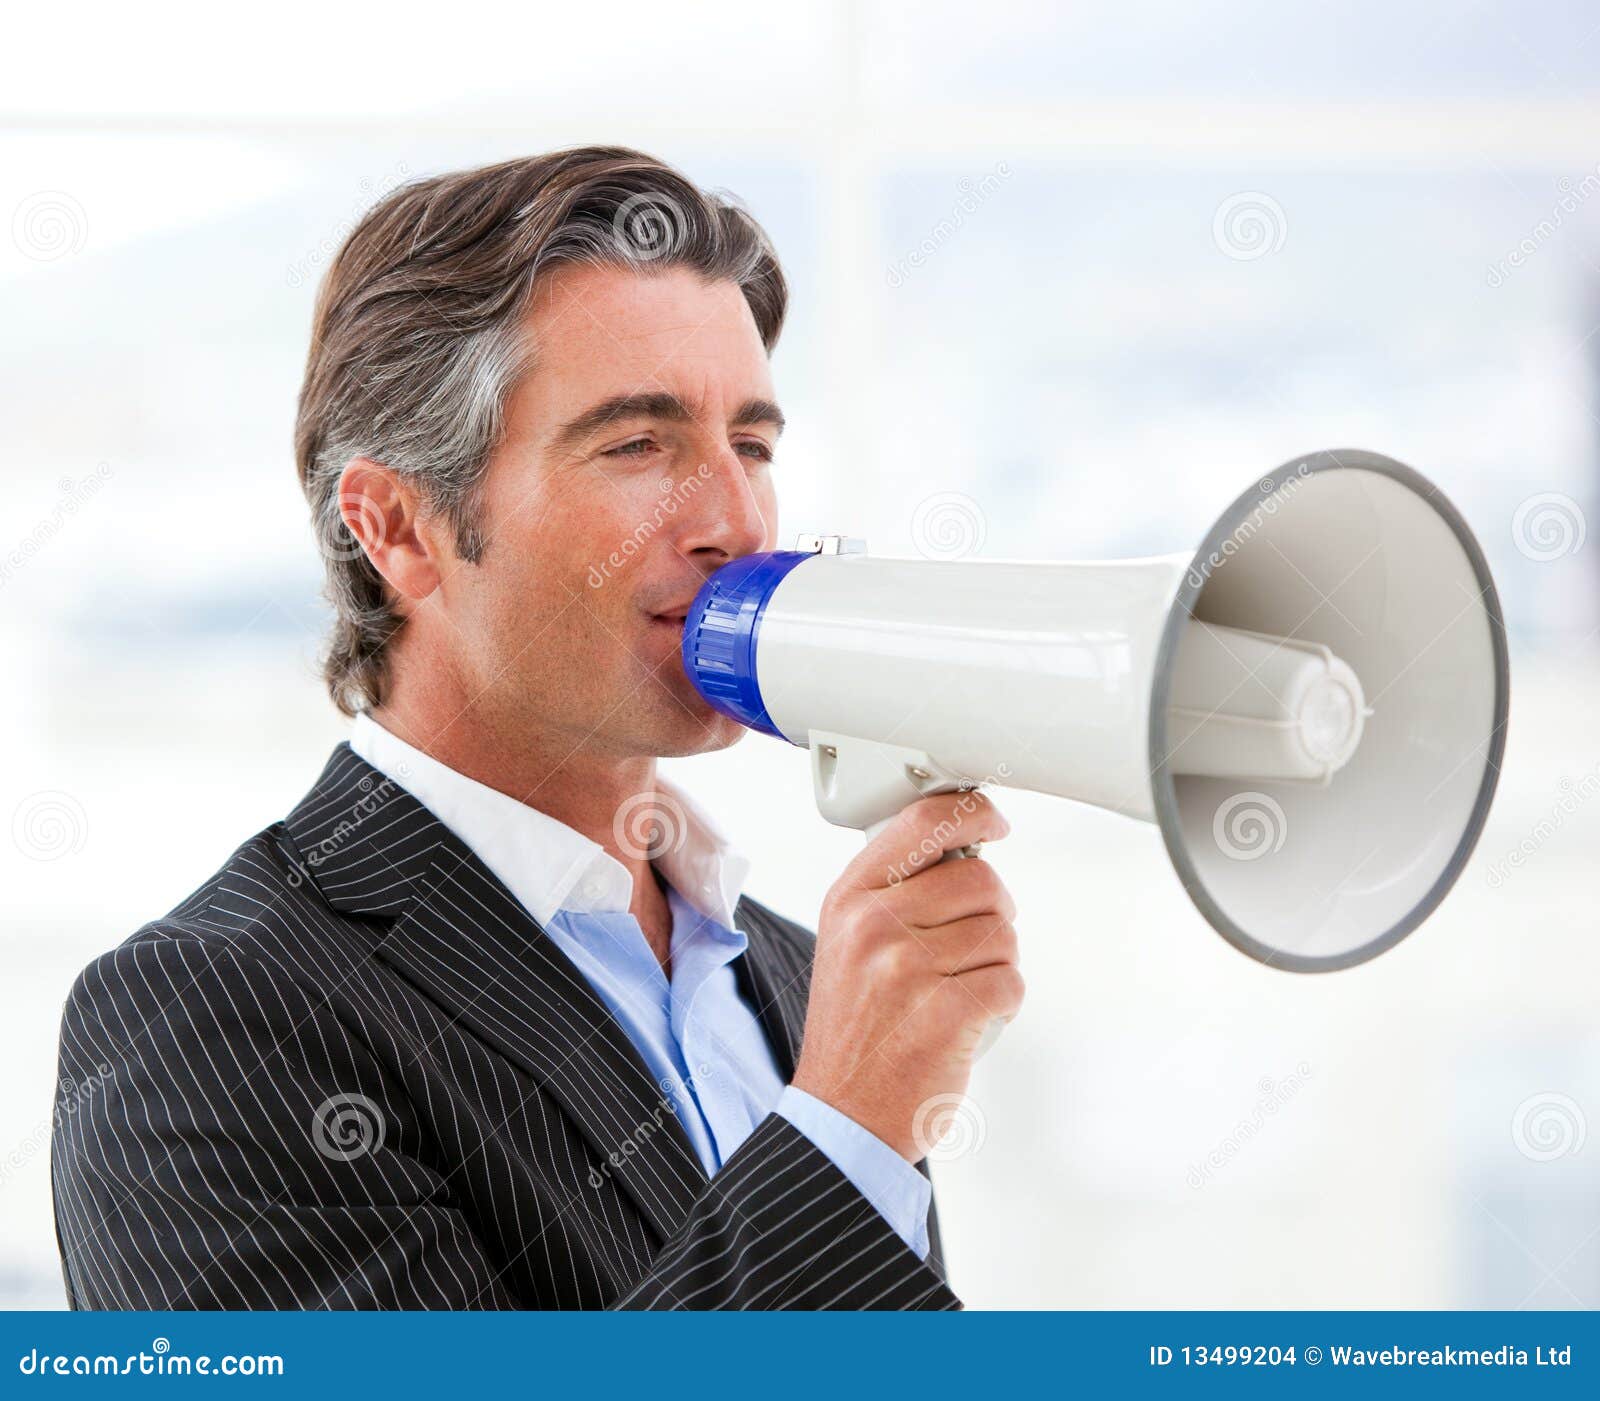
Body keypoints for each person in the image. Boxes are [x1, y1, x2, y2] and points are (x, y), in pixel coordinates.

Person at [50, 146, 1023, 1310]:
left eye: (752, 447)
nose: (735, 521)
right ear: (397, 526)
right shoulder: (202, 1021)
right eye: (638, 445)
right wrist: (850, 1125)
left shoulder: (796, 976)